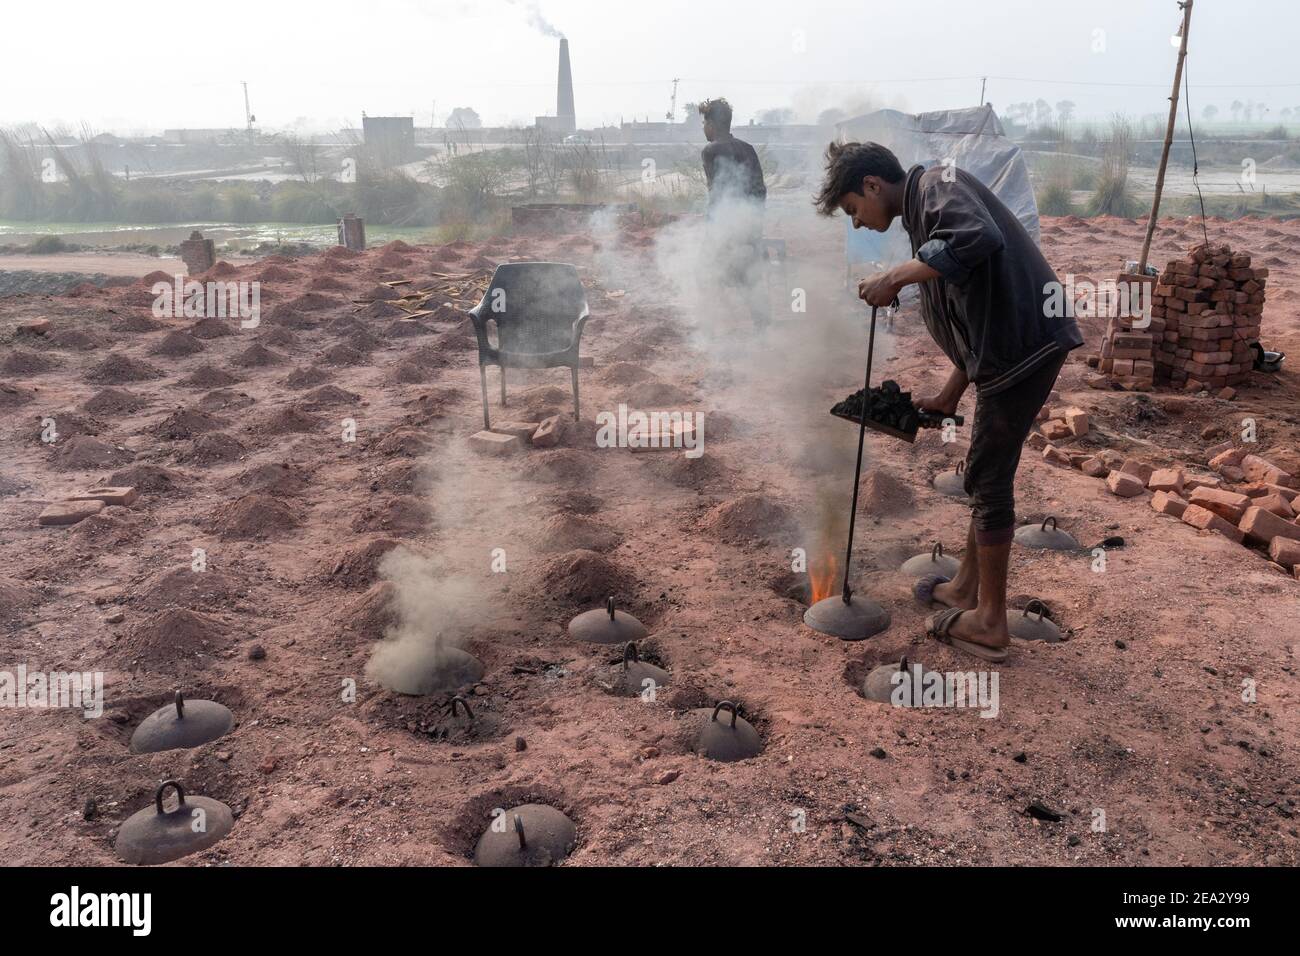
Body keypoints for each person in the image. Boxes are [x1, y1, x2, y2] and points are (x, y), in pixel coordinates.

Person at [815, 141, 1083, 661]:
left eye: (852, 210)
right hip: (1006, 350)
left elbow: (978, 237)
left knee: (987, 478)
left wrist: (894, 276)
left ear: (872, 185)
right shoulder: (922, 213)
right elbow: (972, 307)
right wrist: (949, 392)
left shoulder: (939, 183)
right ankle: (964, 588)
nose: (857, 223)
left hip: (1022, 348)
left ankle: (990, 622)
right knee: (987, 475)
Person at [698, 98, 768, 330]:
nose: (703, 127)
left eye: (704, 122)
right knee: (750, 278)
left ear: (712, 124)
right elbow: (760, 190)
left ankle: (710, 330)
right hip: (749, 225)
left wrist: (712, 233)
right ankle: (763, 330)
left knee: (707, 275)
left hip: (726, 228)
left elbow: (716, 194)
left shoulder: (710, 150)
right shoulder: (747, 148)